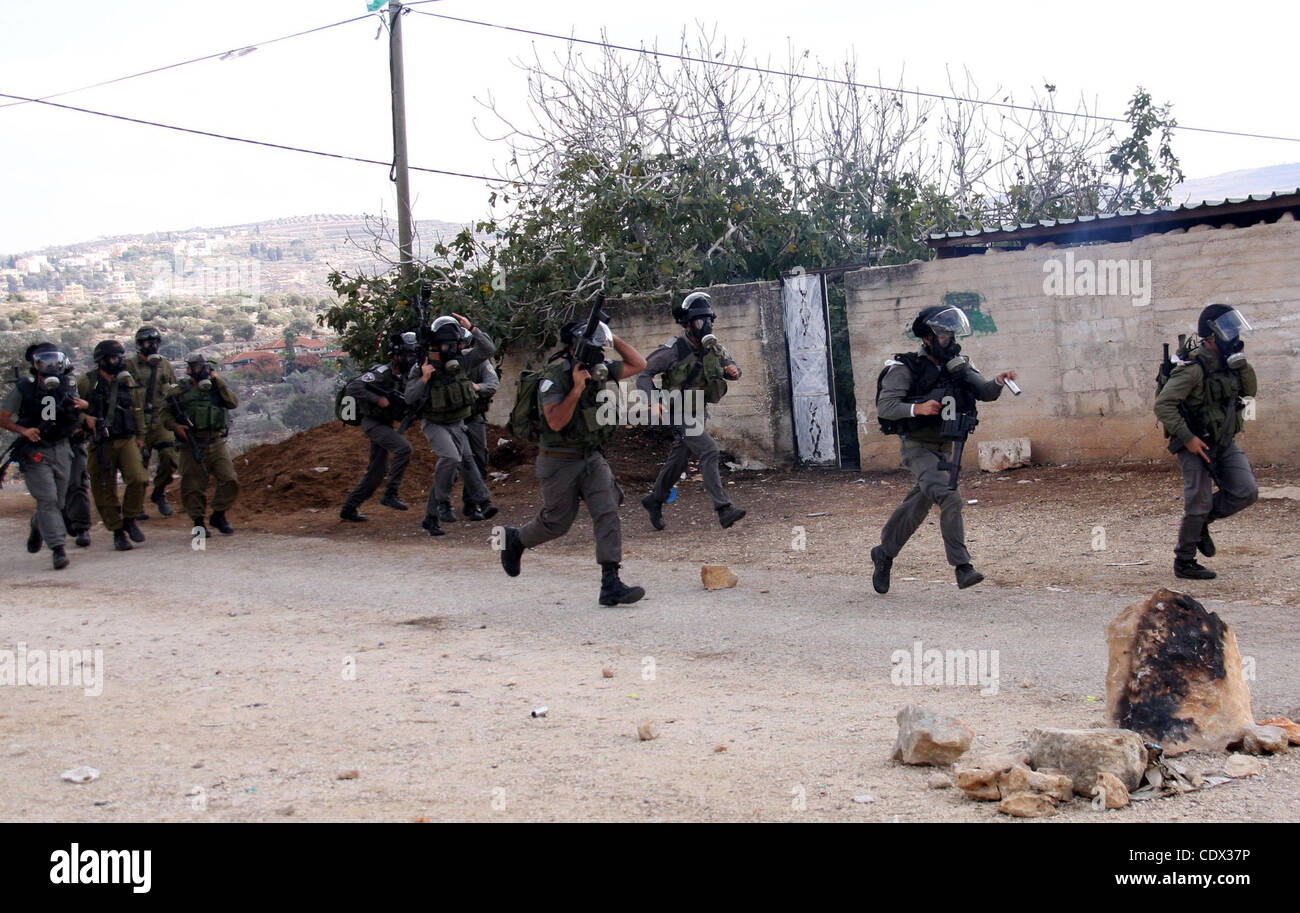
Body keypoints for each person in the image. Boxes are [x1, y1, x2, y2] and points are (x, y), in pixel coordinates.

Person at [499, 314, 649, 606]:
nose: (601, 353)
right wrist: (577, 389)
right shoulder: (554, 375)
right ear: (576, 347)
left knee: (607, 511)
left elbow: (638, 364)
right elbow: (555, 422)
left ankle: (611, 584)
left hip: (590, 456)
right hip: (559, 460)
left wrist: (611, 335)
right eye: (595, 347)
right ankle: (515, 540)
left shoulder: (597, 369)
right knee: (557, 523)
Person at [870, 305, 1017, 593]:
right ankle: (963, 567)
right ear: (926, 338)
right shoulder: (904, 368)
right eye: (942, 334)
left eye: (951, 333)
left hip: (945, 448)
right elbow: (886, 406)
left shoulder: (958, 366)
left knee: (918, 504)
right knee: (949, 497)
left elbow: (984, 392)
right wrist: (917, 408)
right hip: (917, 448)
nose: (949, 338)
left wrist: (998, 382)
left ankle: (884, 553)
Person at [1154, 304, 1259, 580]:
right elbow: (1163, 405)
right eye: (1228, 331)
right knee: (1197, 502)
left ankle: (1201, 524)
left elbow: (1251, 392)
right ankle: (1184, 561)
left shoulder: (1230, 364)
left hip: (1223, 441)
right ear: (1210, 336)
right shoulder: (1193, 369)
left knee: (1246, 491)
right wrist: (1188, 439)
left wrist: (1242, 364)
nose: (1233, 336)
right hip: (1194, 443)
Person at [637, 291, 745, 531]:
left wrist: (733, 371)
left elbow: (734, 368)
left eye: (709, 321)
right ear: (687, 325)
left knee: (680, 458)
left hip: (697, 411)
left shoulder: (715, 349)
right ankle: (724, 509)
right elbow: (644, 373)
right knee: (709, 450)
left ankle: (654, 499)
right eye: (699, 321)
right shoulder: (674, 350)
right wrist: (653, 400)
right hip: (677, 411)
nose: (705, 326)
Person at [404, 313, 497, 535]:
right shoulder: (425, 365)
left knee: (467, 461)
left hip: (457, 422)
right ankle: (447, 503)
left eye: (454, 344)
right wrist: (424, 378)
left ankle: (432, 516)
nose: (451, 348)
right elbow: (409, 397)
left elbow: (488, 351)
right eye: (446, 344)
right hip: (435, 422)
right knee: (450, 458)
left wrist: (473, 327)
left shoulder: (462, 360)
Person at [0, 343, 88, 569]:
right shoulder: (24, 388)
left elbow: (78, 411)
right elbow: (3, 417)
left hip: (62, 447)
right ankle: (58, 549)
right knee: (48, 500)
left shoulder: (68, 384)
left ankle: (37, 524)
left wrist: (84, 407)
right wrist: (24, 431)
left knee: (58, 501)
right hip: (36, 450)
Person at [77, 339, 149, 551]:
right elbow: (71, 408)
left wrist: (141, 435)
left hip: (126, 438)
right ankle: (117, 531)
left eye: (119, 357)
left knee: (139, 479)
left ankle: (130, 518)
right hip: (101, 442)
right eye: (112, 358)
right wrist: (84, 419)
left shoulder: (126, 380)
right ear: (101, 361)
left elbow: (137, 409)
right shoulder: (87, 382)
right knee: (104, 488)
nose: (117, 361)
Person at [339, 332, 417, 522]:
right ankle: (391, 493)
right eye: (408, 355)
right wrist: (377, 399)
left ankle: (349, 508)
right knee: (404, 449)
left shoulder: (407, 376)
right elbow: (354, 387)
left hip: (386, 423)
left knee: (377, 471)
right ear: (397, 355)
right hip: (372, 422)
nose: (411, 359)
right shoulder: (381, 372)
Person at [163, 353, 239, 537]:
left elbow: (232, 403)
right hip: (192, 443)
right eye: (197, 368)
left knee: (229, 479)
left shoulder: (215, 388)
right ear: (189, 370)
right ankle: (198, 522)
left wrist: (218, 382)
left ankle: (218, 515)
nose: (202, 371)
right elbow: (164, 415)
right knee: (193, 486)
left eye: (205, 367)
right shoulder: (180, 391)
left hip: (216, 440)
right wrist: (176, 427)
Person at [125, 325, 179, 518]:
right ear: (140, 345)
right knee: (140, 463)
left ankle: (159, 492)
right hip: (139, 422)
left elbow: (174, 391)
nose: (153, 346)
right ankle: (137, 503)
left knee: (170, 456)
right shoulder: (129, 366)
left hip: (160, 420)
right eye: (149, 342)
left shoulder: (165, 365)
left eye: (156, 342)